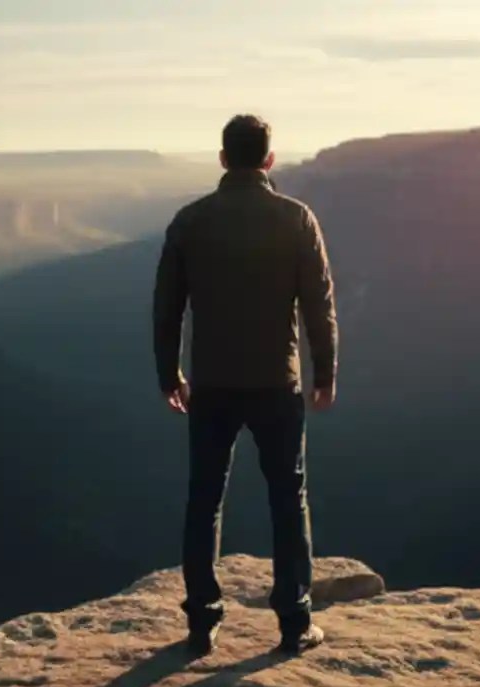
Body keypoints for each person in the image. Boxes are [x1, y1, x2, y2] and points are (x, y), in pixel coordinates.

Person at [152, 114, 339, 656]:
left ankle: (202, 621)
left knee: (204, 499)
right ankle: (294, 622)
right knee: (288, 497)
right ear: (269, 161)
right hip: (276, 383)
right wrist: (324, 372)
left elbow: (167, 308)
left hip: (211, 383)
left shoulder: (190, 221)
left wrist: (169, 373)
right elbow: (319, 306)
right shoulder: (296, 219)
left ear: (221, 159)